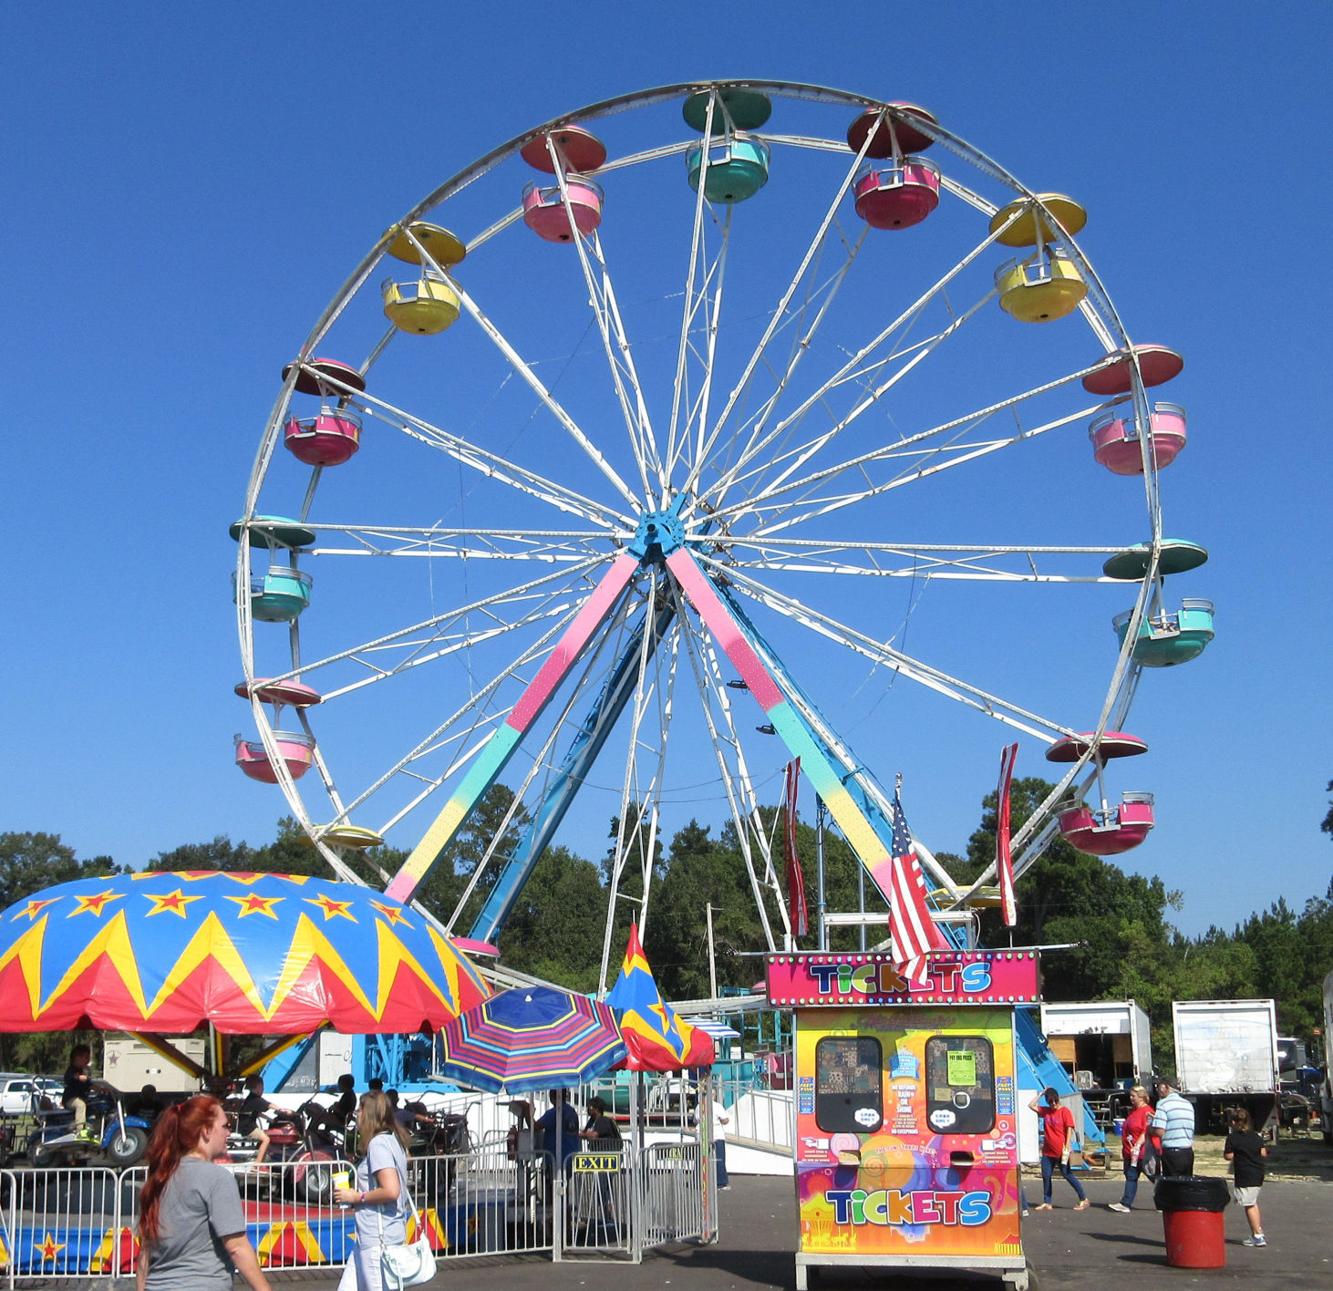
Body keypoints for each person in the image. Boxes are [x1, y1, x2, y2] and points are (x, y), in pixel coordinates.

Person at [135, 1094, 271, 1291]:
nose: (229, 1132)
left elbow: (145, 1254)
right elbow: (237, 1248)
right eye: (225, 1126)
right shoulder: (217, 1178)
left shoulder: (159, 1178)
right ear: (206, 1131)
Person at [334, 1091, 412, 1291]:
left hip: (378, 1237)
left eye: (360, 1109)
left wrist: (357, 1196)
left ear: (368, 1114)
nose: (357, 1114)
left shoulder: (378, 1144)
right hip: (372, 1235)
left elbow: (391, 1190)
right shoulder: (393, 1140)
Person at [1028, 1088, 1089, 1211]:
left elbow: (1069, 1129)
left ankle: (1083, 1198)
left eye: (1055, 1101)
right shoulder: (1046, 1111)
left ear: (1058, 1099)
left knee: (1067, 1174)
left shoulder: (1064, 1111)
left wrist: (1067, 1146)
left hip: (1061, 1150)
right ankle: (1047, 1201)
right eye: (1050, 1102)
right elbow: (1031, 1105)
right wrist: (1041, 1094)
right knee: (1046, 1175)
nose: (1053, 1104)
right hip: (1047, 1150)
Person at [1223, 1106, 1269, 1248]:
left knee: (1248, 1204)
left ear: (1235, 1122)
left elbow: (1227, 1155)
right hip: (1258, 1173)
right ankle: (1258, 1230)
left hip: (1244, 1174)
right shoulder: (1256, 1136)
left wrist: (1239, 1154)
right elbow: (1263, 1153)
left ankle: (1257, 1235)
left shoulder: (1233, 1138)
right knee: (1253, 1202)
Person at [1107, 1084, 1152, 1212]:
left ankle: (1166, 1201)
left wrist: (1138, 1145)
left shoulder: (1147, 1111)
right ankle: (1126, 1203)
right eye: (1131, 1096)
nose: (1131, 1098)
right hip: (1129, 1151)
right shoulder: (1133, 1111)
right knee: (1131, 1176)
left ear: (1141, 1097)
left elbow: (1146, 1131)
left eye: (1134, 1096)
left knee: (1153, 1176)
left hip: (1141, 1152)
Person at [1150, 1073, 1195, 1177]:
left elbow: (1160, 1131)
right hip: (1187, 1151)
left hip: (1172, 1151)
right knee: (1186, 1185)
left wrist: (1150, 1128)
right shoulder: (1187, 1104)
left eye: (1158, 1086)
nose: (1157, 1090)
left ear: (1165, 1087)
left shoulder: (1163, 1104)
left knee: (1172, 1186)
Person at [236, 1076, 276, 1166]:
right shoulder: (254, 1099)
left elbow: (257, 1113)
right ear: (258, 1087)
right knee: (266, 1139)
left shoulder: (251, 1099)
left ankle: (261, 1160)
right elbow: (269, 1105)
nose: (263, 1089)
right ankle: (257, 1165)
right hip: (247, 1127)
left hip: (248, 1125)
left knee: (266, 1137)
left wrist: (270, 1119)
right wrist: (282, 1109)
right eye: (262, 1087)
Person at [63, 1043, 96, 1141]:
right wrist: (79, 1077)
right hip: (70, 1099)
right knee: (80, 1105)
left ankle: (93, 1129)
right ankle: (80, 1131)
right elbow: (72, 1077)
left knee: (96, 1105)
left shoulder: (83, 1071)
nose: (87, 1060)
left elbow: (90, 1084)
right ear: (77, 1057)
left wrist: (102, 1089)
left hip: (82, 1097)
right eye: (85, 1057)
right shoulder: (72, 1070)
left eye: (88, 1058)